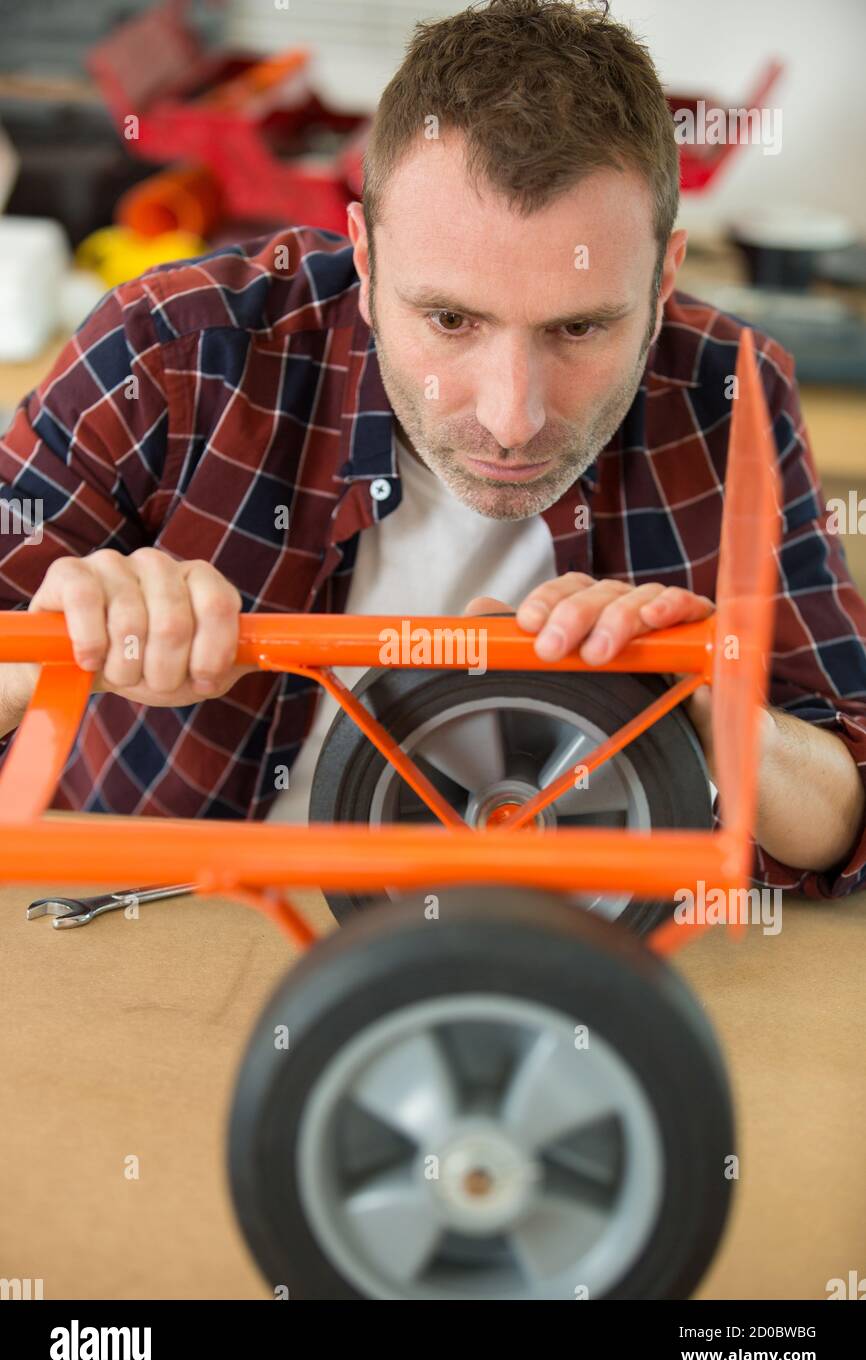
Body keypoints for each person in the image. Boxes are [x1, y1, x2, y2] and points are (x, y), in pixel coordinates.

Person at [0, 0, 864, 898]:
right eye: (451, 320)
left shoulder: (731, 394)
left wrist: (723, 715)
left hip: (564, 946)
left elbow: (848, 798)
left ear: (664, 277)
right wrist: (38, 654)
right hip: (168, 929)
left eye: (578, 328)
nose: (512, 417)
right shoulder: (169, 352)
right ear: (366, 259)